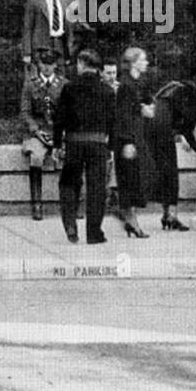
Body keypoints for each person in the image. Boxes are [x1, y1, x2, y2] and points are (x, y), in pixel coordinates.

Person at [53, 48, 116, 245]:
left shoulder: (69, 87)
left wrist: (56, 144)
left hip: (74, 142)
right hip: (98, 144)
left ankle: (71, 225)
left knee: (69, 184)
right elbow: (114, 122)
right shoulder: (107, 90)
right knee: (97, 188)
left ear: (81, 64)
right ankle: (94, 232)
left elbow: (59, 119)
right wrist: (111, 147)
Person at [148, 76, 196, 231]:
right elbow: (187, 130)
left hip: (150, 131)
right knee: (171, 174)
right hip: (164, 134)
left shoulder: (173, 87)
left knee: (163, 173)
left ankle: (166, 214)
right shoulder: (194, 97)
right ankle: (171, 215)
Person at [115, 45, 155, 237]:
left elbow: (147, 101)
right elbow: (122, 114)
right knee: (129, 178)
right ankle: (130, 219)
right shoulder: (125, 84)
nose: (146, 62)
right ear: (133, 62)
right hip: (127, 137)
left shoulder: (141, 81)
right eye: (143, 59)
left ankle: (130, 217)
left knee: (139, 177)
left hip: (138, 134)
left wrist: (146, 107)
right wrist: (127, 141)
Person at [20, 50, 65, 221]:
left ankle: (72, 203)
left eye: (50, 64)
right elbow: (25, 112)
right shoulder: (30, 84)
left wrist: (61, 133)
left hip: (58, 131)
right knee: (36, 157)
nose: (46, 68)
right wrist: (36, 131)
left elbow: (69, 111)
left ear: (55, 65)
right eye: (43, 64)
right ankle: (37, 204)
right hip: (37, 131)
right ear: (39, 64)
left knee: (71, 158)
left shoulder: (63, 84)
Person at [21, 0, 74, 74]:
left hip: (60, 47)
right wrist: (27, 53)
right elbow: (27, 28)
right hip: (41, 47)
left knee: (60, 80)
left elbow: (69, 29)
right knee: (40, 80)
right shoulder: (35, 1)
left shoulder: (65, 2)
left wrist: (69, 51)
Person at [102, 59, 120, 211]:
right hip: (101, 132)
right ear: (101, 73)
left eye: (114, 72)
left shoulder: (120, 89)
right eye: (108, 73)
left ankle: (113, 193)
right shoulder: (98, 89)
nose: (112, 76)